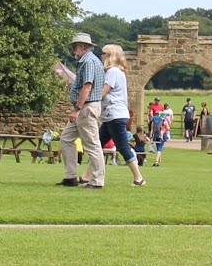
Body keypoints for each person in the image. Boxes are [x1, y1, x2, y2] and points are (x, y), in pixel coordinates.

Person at [55, 33, 107, 188]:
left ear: (82, 47)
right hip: (85, 107)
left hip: (86, 108)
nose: (73, 50)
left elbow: (87, 86)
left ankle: (97, 181)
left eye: (75, 47)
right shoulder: (89, 61)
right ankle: (70, 177)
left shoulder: (89, 62)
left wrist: (76, 108)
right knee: (66, 138)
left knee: (92, 144)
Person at [98, 44, 147, 186]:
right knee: (98, 145)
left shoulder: (113, 72)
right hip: (111, 115)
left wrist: (88, 100)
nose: (102, 55)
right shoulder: (118, 72)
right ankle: (86, 176)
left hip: (115, 115)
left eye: (104, 53)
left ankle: (139, 178)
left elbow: (103, 92)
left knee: (123, 146)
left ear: (111, 55)